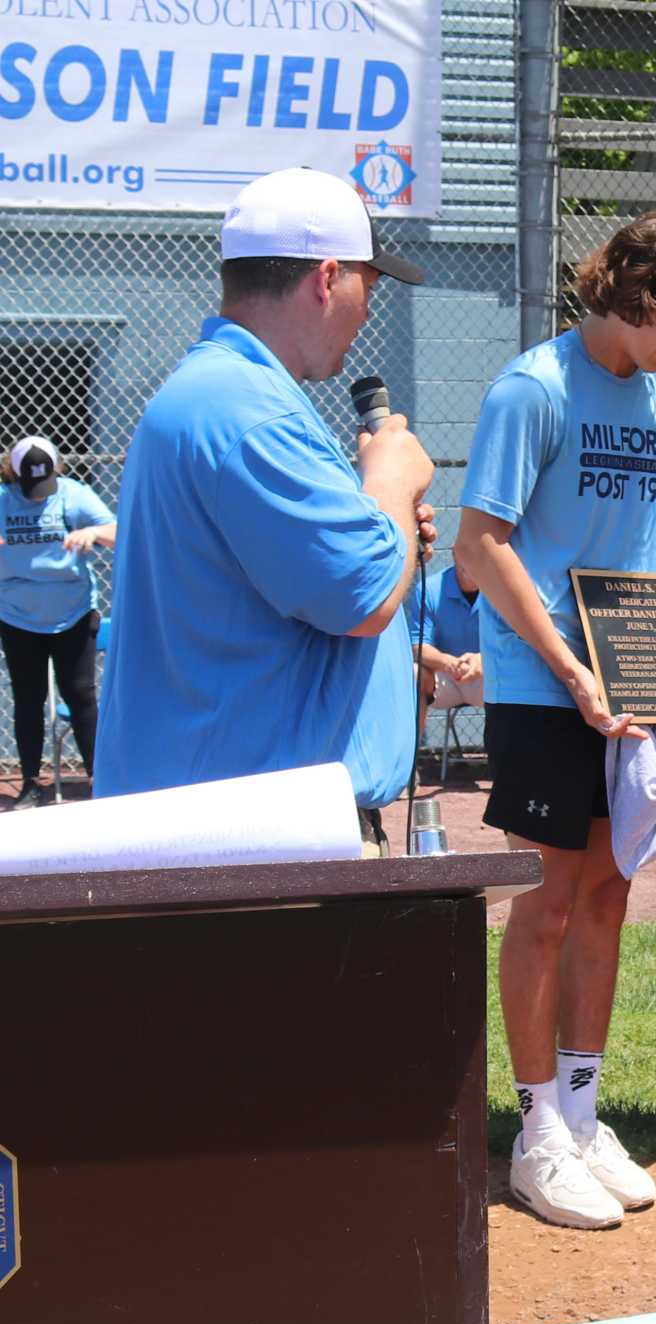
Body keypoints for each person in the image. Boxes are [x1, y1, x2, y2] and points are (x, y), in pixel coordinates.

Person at [452, 210, 656, 1230]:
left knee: (610, 894)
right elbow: (481, 546)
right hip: (543, 684)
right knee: (548, 903)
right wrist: (571, 667)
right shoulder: (532, 388)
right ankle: (536, 1130)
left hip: (630, 682)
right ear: (639, 298)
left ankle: (580, 1114)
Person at [96, 167, 435, 858]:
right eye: (368, 286)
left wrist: (386, 523)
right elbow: (363, 598)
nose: (368, 312)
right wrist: (391, 482)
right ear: (327, 278)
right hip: (261, 836)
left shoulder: (223, 391)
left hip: (236, 818)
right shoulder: (249, 409)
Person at [1, 437, 115, 809]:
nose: (39, 492)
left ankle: (99, 779)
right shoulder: (4, 499)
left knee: (80, 694)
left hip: (73, 613)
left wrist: (93, 533)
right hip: (18, 616)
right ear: (14, 474)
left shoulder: (73, 494)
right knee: (28, 698)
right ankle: (32, 784)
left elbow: (119, 532)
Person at [410, 557, 485, 731]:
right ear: (455, 553)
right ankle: (411, 747)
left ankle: (509, 748)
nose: (470, 557)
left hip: (488, 676)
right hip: (444, 678)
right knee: (414, 674)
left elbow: (514, 641)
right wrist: (447, 662)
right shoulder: (428, 588)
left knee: (520, 671)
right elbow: (418, 646)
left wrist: (482, 661)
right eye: (465, 551)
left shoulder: (502, 585)